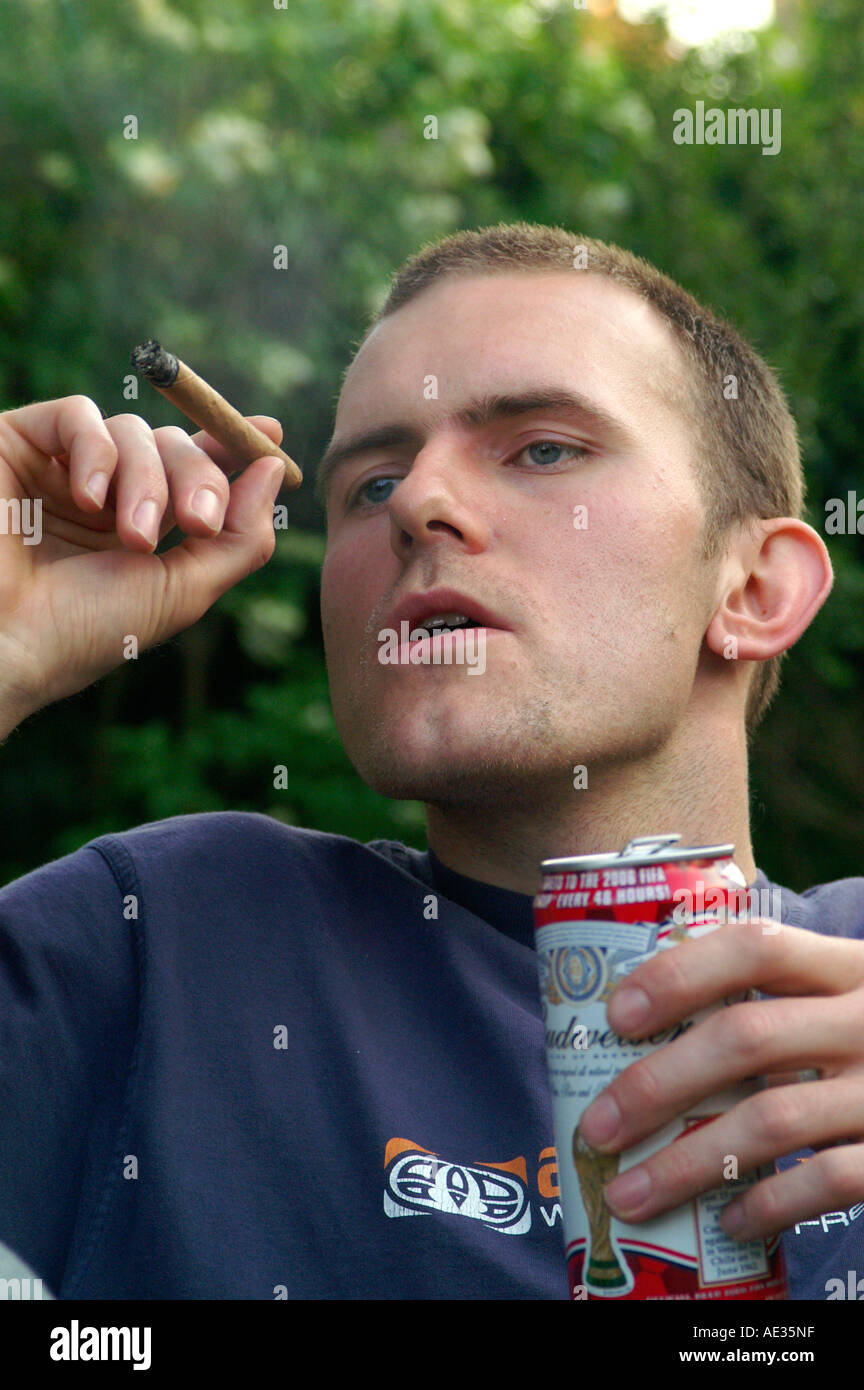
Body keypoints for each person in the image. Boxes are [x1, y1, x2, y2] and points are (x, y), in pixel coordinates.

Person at [0, 223, 861, 1302]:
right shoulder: (158, 948)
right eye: (370, 483)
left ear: (754, 590)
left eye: (543, 449)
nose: (415, 505)